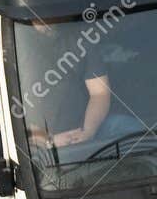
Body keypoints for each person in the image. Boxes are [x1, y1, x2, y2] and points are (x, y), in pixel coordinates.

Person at [17, 17, 112, 149]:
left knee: (132, 130)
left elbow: (100, 93)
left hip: (88, 135)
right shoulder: (9, 39)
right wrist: (48, 141)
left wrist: (88, 132)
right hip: (34, 152)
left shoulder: (81, 35)